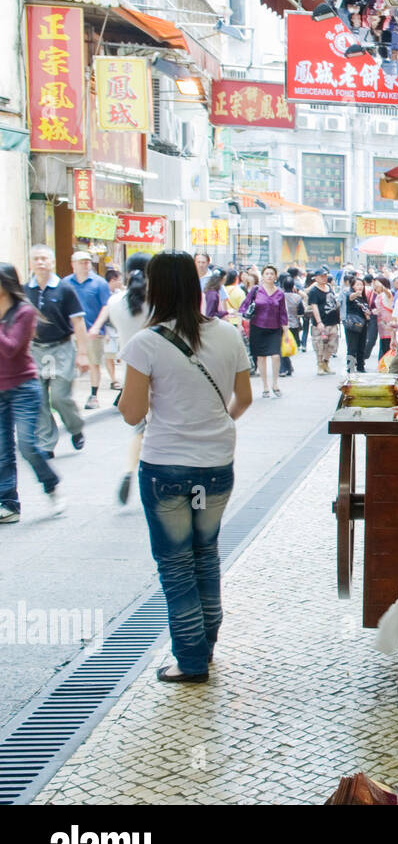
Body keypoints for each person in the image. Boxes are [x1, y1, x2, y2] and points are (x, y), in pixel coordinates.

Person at [118, 251, 252, 683]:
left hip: (166, 469)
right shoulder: (228, 334)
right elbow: (244, 399)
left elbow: (131, 411)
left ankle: (191, 662)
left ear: (155, 290)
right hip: (215, 464)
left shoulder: (146, 342)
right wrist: (213, 426)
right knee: (206, 555)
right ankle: (205, 647)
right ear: (195, 289)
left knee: (176, 566)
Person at [0, 264, 64, 522]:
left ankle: (51, 485)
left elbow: (11, 348)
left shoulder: (25, 312)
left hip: (24, 388)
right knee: (2, 451)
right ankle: (8, 504)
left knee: (27, 445)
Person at [27, 245, 90, 456]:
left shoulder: (64, 289)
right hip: (35, 350)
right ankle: (46, 444)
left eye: (44, 258)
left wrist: (82, 353)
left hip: (62, 348)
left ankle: (75, 427)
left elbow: (78, 322)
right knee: (39, 398)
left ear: (52, 262)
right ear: (31, 263)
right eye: (36, 259)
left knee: (59, 397)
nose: (40, 262)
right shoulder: (25, 289)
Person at [108, 255, 151, 504]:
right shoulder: (159, 302)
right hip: (161, 373)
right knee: (157, 429)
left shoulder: (115, 302)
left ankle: (128, 469)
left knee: (140, 427)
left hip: (130, 374)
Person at [65, 251, 113, 410]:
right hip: (70, 332)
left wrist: (98, 326)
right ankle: (68, 396)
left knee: (93, 363)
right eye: (81, 262)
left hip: (92, 331)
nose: (85, 265)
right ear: (73, 264)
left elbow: (106, 306)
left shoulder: (99, 283)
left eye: (87, 262)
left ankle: (94, 395)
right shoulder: (66, 283)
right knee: (69, 364)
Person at [241, 265, 290, 398]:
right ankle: (265, 386)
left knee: (275, 356)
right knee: (261, 358)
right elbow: (245, 306)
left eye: (271, 274)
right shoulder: (256, 290)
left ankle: (275, 383)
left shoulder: (280, 293)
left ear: (275, 276)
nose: (269, 276)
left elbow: (283, 313)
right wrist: (242, 320)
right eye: (266, 273)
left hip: (274, 329)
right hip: (257, 327)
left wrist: (286, 332)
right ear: (262, 276)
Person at [306, 268, 341, 375]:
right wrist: (319, 322)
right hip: (321, 323)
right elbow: (314, 307)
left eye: (325, 276)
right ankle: (320, 365)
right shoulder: (314, 291)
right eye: (321, 276)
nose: (324, 278)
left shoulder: (329, 287)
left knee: (332, 345)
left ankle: (326, 363)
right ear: (316, 278)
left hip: (333, 321)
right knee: (319, 345)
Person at [342, 275, 373, 373]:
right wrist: (356, 293)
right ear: (353, 286)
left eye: (362, 285)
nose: (360, 287)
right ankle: (350, 367)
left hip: (363, 325)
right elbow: (350, 297)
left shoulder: (363, 297)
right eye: (358, 285)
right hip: (352, 325)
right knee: (352, 347)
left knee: (361, 346)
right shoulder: (350, 294)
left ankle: (360, 366)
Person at [280, 274, 304, 378]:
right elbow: (301, 312)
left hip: (282, 325)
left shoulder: (280, 296)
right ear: (293, 286)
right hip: (294, 325)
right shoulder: (297, 297)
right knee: (287, 345)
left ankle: (284, 368)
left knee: (282, 346)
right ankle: (288, 367)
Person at [373, 275, 395, 359]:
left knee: (387, 346)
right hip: (382, 325)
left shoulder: (387, 293)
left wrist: (382, 287)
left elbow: (388, 294)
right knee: (383, 345)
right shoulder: (379, 295)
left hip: (388, 326)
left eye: (376, 285)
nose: (375, 287)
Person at [362, 274, 380, 363]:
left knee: (384, 340)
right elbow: (366, 303)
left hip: (383, 318)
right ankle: (363, 357)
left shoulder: (386, 293)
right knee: (371, 339)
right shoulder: (370, 292)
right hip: (372, 317)